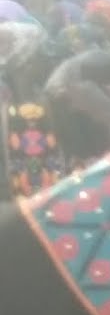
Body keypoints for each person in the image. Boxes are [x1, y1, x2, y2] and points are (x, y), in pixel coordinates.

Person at [1, 23, 72, 201]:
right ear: (27, 63)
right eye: (42, 55)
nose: (49, 61)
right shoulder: (19, 109)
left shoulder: (42, 98)